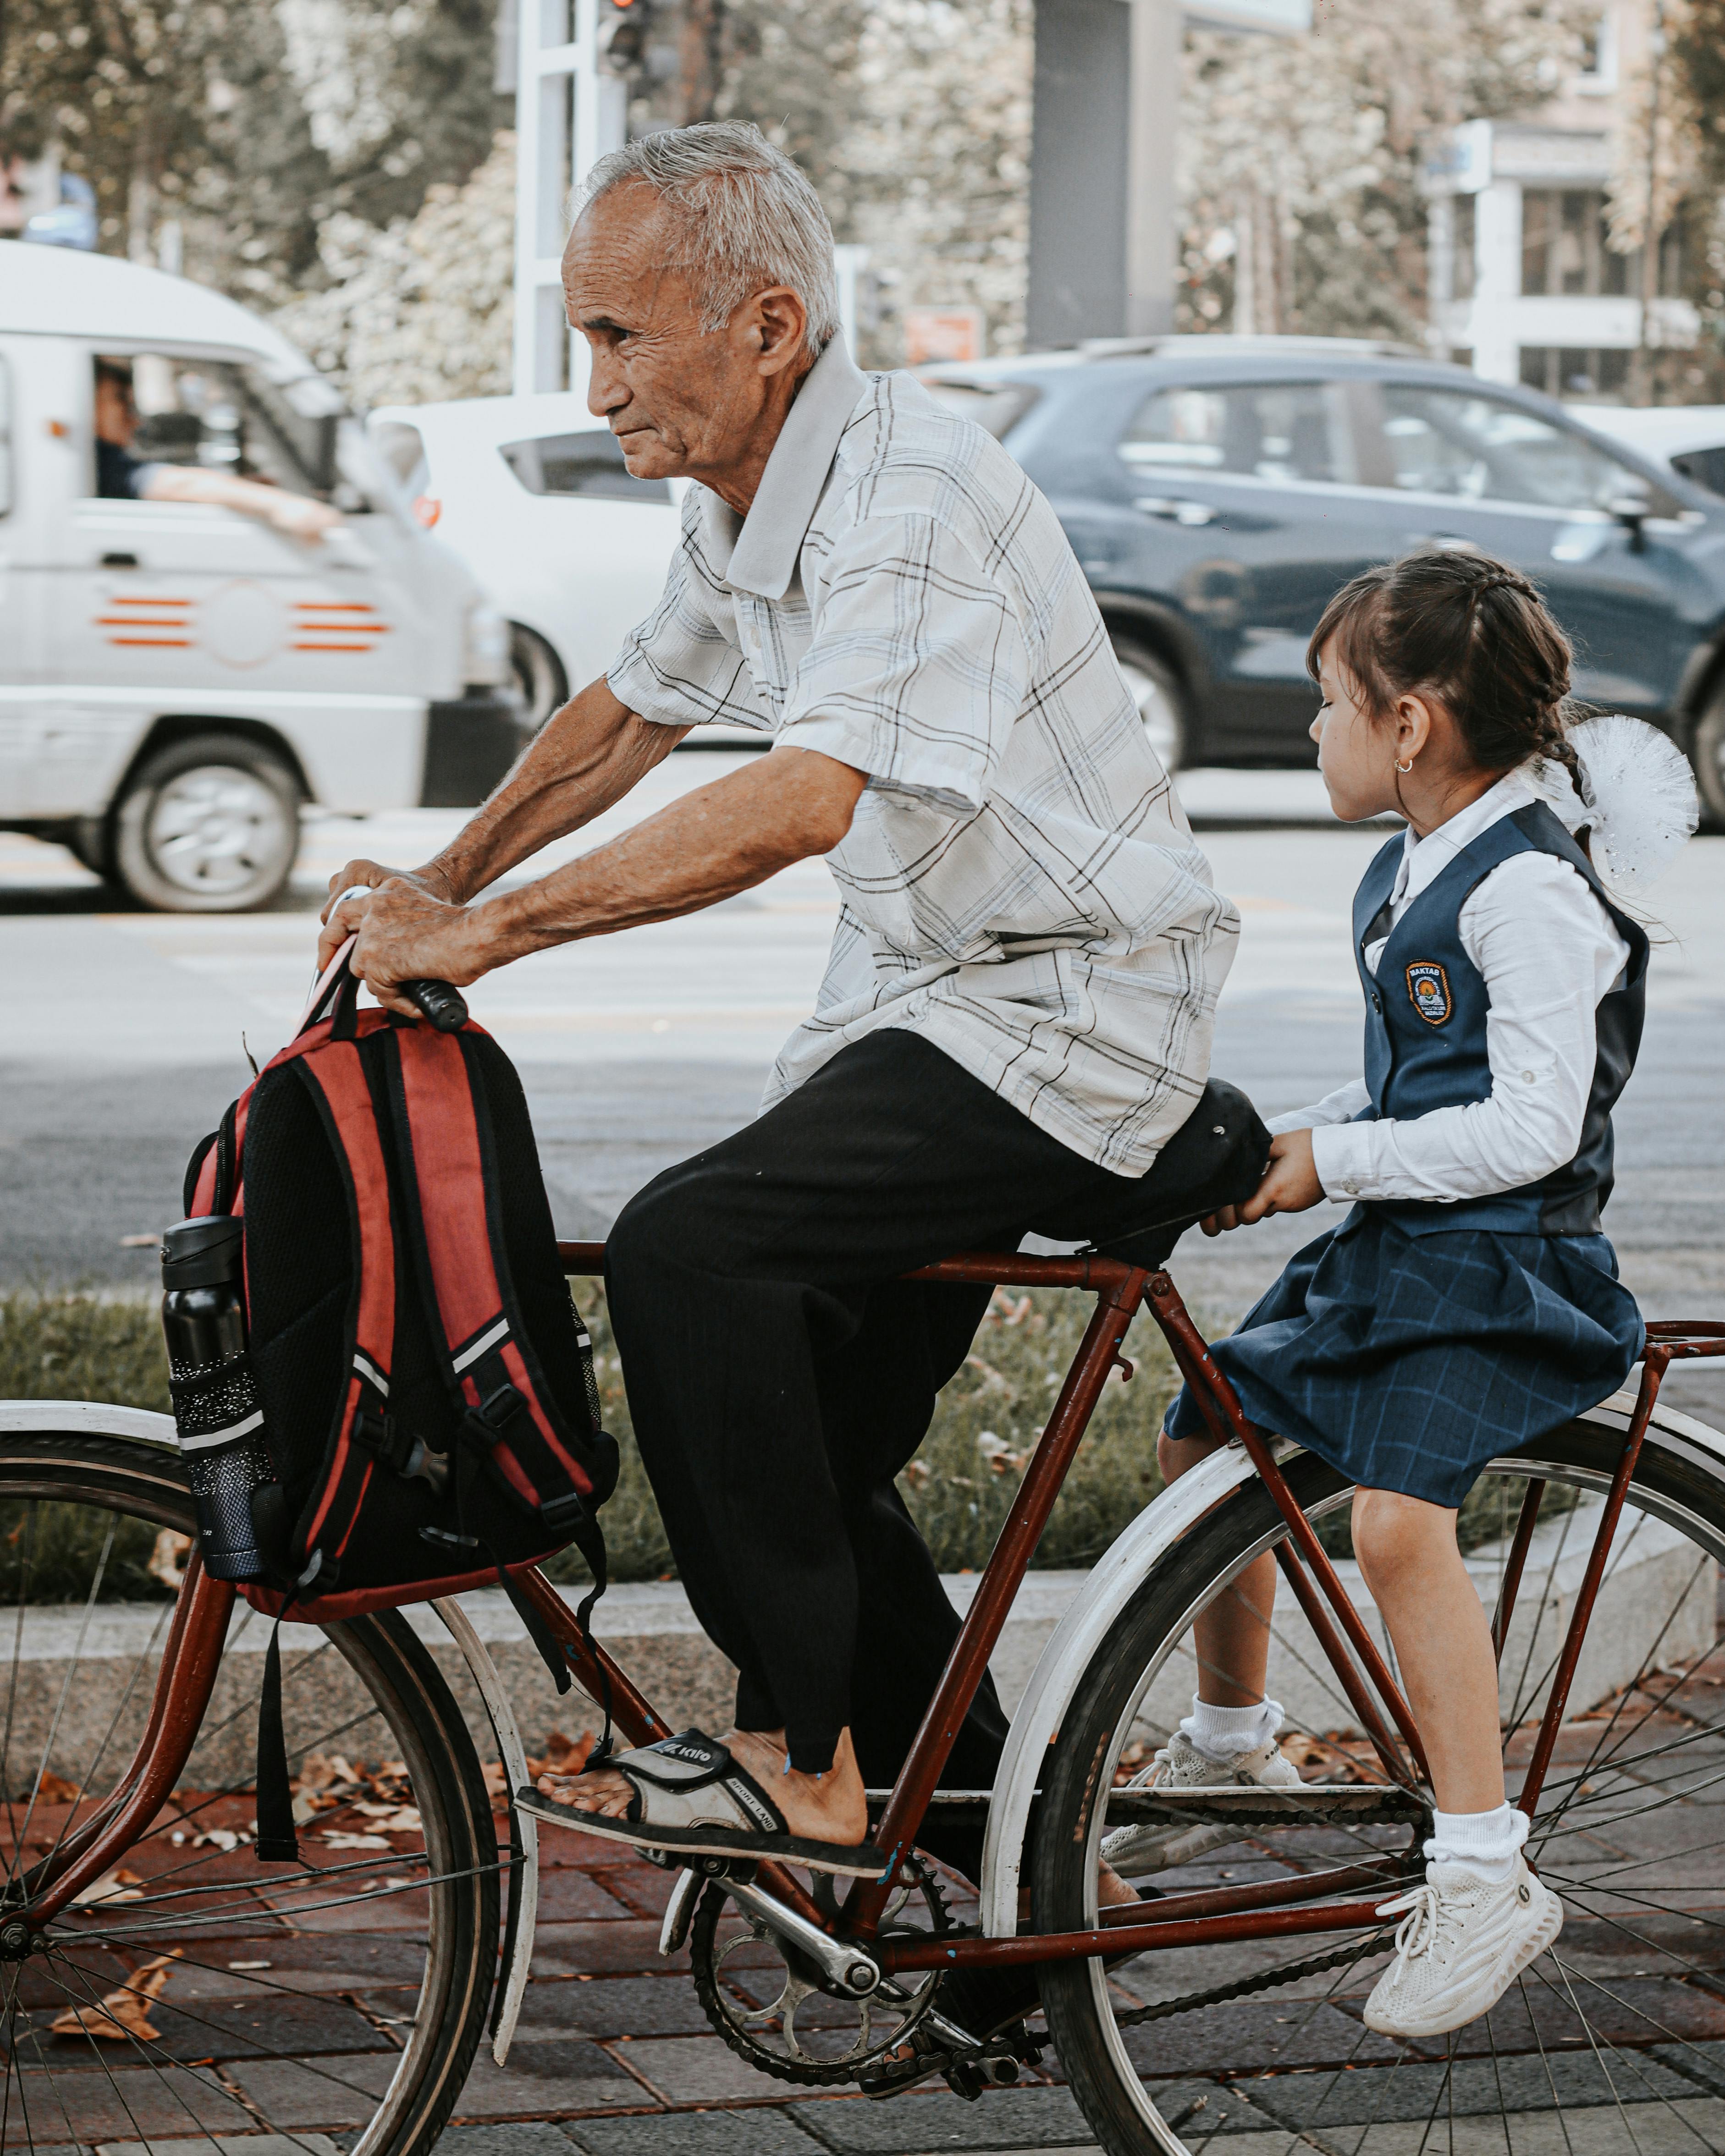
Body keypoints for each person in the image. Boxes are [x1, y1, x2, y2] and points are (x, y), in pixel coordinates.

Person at [315, 121, 1260, 1913]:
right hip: (930, 1006)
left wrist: (493, 936)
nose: (588, 381)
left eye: (617, 336)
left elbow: (799, 801)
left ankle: (802, 1759)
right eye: (585, 336)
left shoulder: (905, 489)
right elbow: (627, 711)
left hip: (1066, 1013)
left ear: (762, 324)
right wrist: (435, 889)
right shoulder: (742, 492)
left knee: (694, 1254)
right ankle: (1019, 1900)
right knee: (806, 1452)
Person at [1129, 549, 1653, 2040]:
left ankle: (1483, 1867)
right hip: (1409, 1250)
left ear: (1412, 722)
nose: (1313, 730)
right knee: (1201, 1428)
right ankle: (1231, 1744)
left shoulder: (1533, 890)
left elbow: (1535, 1125)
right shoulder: (1414, 863)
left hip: (1509, 1268)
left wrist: (1336, 1158)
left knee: (1395, 1517)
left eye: (1328, 703)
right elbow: (1424, 1082)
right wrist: (1296, 1146)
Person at [92, 357, 343, 542]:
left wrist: (244, 490)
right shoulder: (94, 460)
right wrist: (281, 506)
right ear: (90, 404)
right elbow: (174, 484)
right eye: (122, 402)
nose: (135, 421)